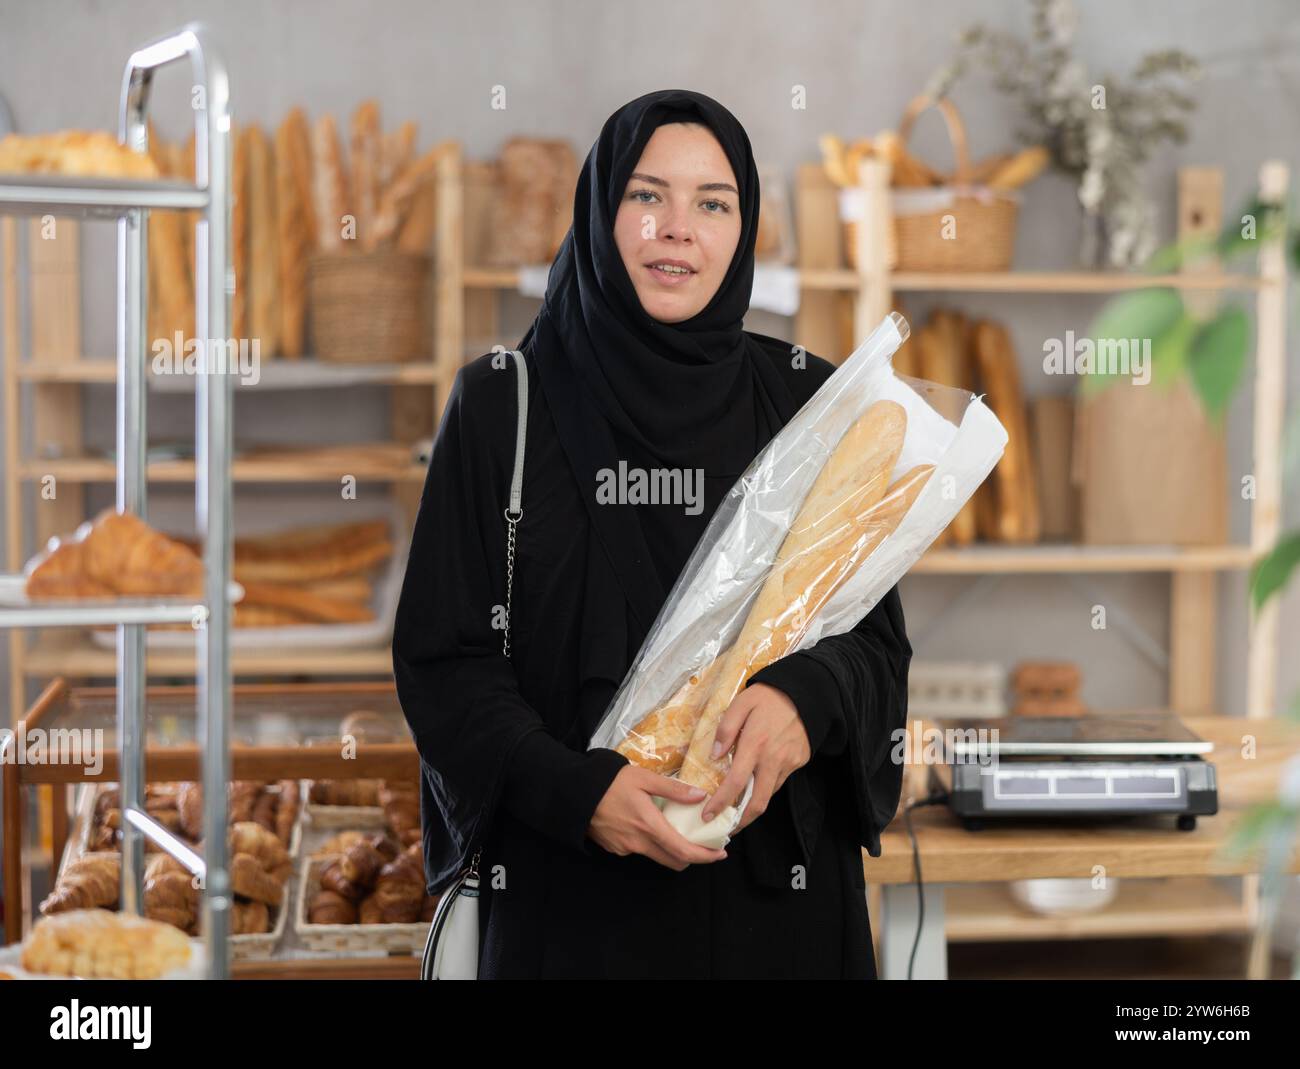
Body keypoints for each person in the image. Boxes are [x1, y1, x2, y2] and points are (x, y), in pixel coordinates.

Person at [392, 88, 912, 980]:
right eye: (647, 195)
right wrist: (577, 793)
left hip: (777, 916)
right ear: (601, 212)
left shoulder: (807, 405)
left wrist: (803, 701)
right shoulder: (501, 408)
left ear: (743, 231)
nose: (679, 228)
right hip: (574, 909)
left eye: (713, 203)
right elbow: (447, 665)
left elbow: (874, 645)